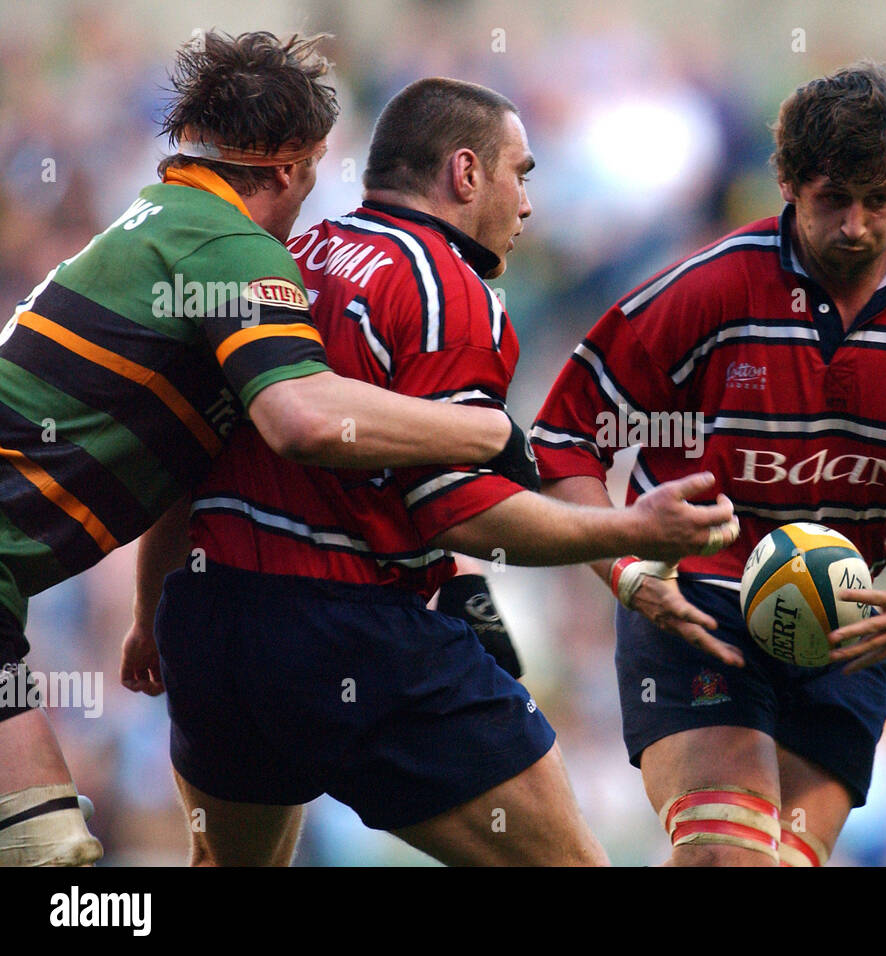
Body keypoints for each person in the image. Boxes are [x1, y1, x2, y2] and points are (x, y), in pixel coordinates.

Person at [123, 78, 738, 866]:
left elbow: (188, 458)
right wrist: (632, 529)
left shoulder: (283, 257)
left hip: (208, 623)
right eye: (521, 173)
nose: (526, 205)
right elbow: (461, 513)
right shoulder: (448, 290)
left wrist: (151, 609)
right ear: (466, 173)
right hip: (346, 628)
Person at [533, 61, 886, 866]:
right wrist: (628, 571)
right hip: (699, 606)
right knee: (725, 853)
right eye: (834, 199)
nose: (858, 226)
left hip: (845, 624)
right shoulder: (709, 287)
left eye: (880, 200)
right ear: (790, 186)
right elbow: (563, 439)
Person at [0, 31, 539, 867]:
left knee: (49, 850)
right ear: (291, 166)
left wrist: (152, 612)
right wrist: (493, 432)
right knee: (45, 857)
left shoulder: (164, 220)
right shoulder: (230, 248)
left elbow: (192, 460)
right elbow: (301, 420)